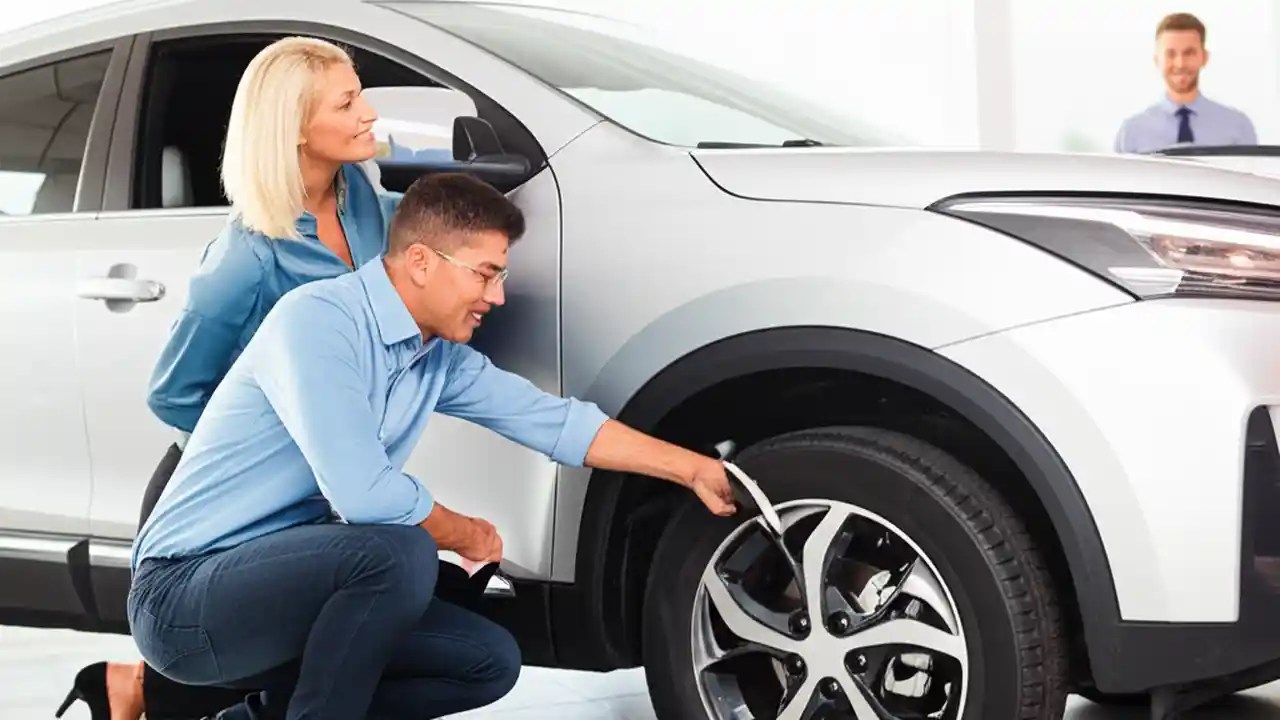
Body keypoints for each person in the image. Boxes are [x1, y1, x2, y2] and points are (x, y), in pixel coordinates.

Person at [124, 172, 738, 720]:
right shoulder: (315, 320)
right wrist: (467, 533)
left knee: (486, 659)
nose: (496, 296)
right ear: (421, 260)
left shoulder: (432, 359)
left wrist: (691, 469)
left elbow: (555, 423)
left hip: (284, 591)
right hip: (184, 602)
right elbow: (364, 493)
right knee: (397, 552)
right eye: (486, 273)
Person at [56, 35, 402, 720]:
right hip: (216, 494)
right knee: (241, 660)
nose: (369, 112)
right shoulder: (246, 256)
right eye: (348, 100)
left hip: (301, 492)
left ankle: (126, 686)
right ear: (297, 128)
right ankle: (128, 688)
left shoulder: (362, 201)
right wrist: (264, 461)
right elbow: (174, 391)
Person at [1114, 12, 1256, 154]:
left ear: (1204, 57)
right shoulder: (1131, 133)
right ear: (1157, 60)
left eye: (1189, 53)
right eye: (1171, 54)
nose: (1180, 64)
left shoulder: (1238, 128)